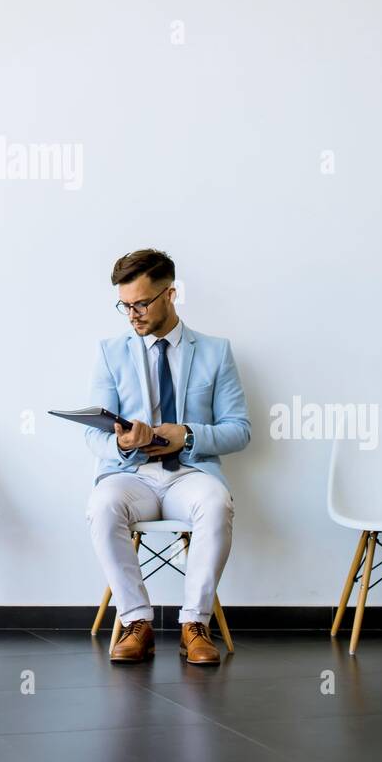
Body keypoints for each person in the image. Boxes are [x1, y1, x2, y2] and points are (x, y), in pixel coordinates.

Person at [84, 248, 250, 664]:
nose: (132, 314)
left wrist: (187, 435)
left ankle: (195, 623)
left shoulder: (216, 351)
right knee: (102, 505)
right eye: (125, 305)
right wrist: (122, 443)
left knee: (216, 503)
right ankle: (136, 622)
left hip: (189, 474)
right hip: (131, 475)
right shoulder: (110, 351)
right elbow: (93, 434)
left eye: (141, 303)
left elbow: (239, 430)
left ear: (170, 294)